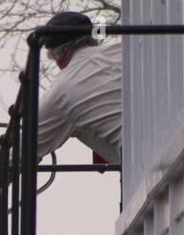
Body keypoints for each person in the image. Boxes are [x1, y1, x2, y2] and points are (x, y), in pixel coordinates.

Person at [32, 11, 122, 165]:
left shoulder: (62, 90)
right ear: (93, 39)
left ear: (56, 56)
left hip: (145, 165)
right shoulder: (125, 50)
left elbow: (21, 152)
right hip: (173, 133)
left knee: (73, 121)